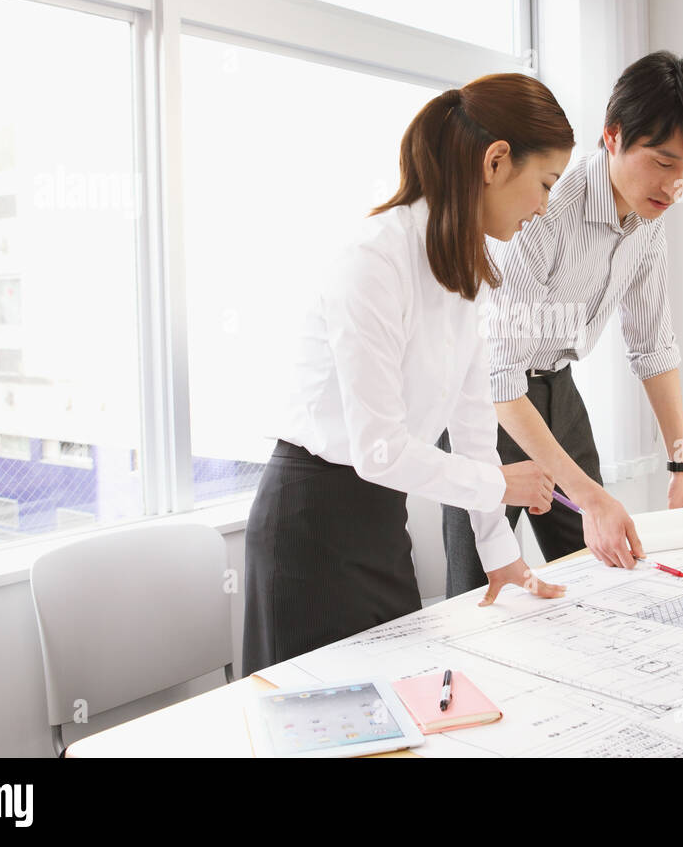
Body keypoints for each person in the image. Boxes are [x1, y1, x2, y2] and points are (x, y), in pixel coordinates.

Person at [242, 73, 577, 677]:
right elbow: (379, 450)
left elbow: (473, 427)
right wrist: (499, 485)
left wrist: (501, 554)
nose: (543, 206)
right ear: (496, 162)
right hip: (311, 523)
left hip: (379, 522)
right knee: (328, 727)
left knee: (403, 711)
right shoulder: (374, 259)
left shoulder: (464, 269)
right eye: (545, 183)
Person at [439, 51, 683, 597]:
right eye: (664, 163)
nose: (676, 187)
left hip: (559, 392)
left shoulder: (646, 222)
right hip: (490, 405)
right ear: (614, 135)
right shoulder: (541, 211)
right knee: (482, 589)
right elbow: (500, 382)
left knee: (600, 565)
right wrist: (595, 497)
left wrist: (681, 466)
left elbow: (653, 346)